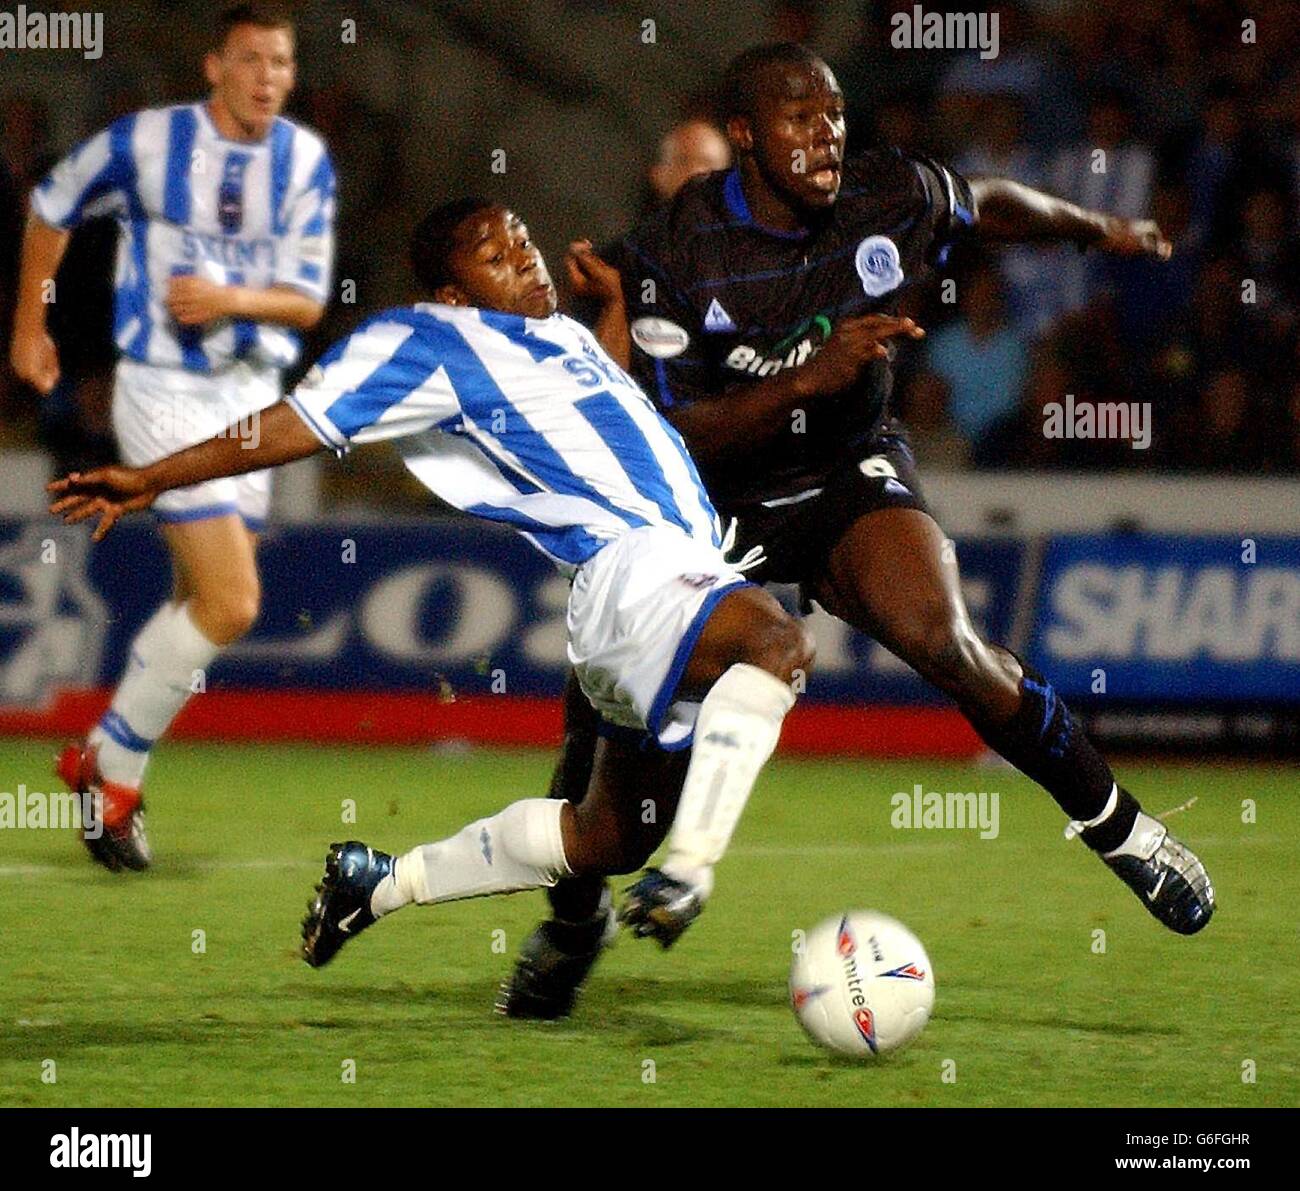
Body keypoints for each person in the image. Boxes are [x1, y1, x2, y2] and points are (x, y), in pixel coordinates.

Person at [501, 41, 1215, 1020]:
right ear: (745, 137)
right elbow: (670, 430)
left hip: (845, 472)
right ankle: (573, 923)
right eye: (797, 117)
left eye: (832, 112)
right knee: (610, 760)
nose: (824, 131)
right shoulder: (674, 252)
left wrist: (1095, 227)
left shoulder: (886, 196)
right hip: (708, 506)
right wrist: (808, 375)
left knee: (948, 642)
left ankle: (1128, 836)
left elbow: (986, 200)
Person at [48, 198, 855, 977]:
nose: (525, 259)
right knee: (776, 644)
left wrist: (611, 312)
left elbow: (597, 411)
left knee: (607, 837)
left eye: (524, 240)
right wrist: (154, 476)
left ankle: (382, 883)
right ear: (452, 295)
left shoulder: (558, 339)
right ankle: (692, 869)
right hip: (636, 573)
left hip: (643, 588)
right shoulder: (428, 339)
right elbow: (292, 422)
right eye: (495, 256)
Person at [8, 2, 336, 871]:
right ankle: (112, 770)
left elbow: (307, 300)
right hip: (162, 391)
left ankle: (95, 761)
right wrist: (29, 324)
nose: (269, 77)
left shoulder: (304, 160)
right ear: (214, 66)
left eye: (282, 62)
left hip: (254, 400)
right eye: (253, 59)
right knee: (234, 602)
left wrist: (233, 300)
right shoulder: (150, 142)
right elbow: (52, 205)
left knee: (203, 605)